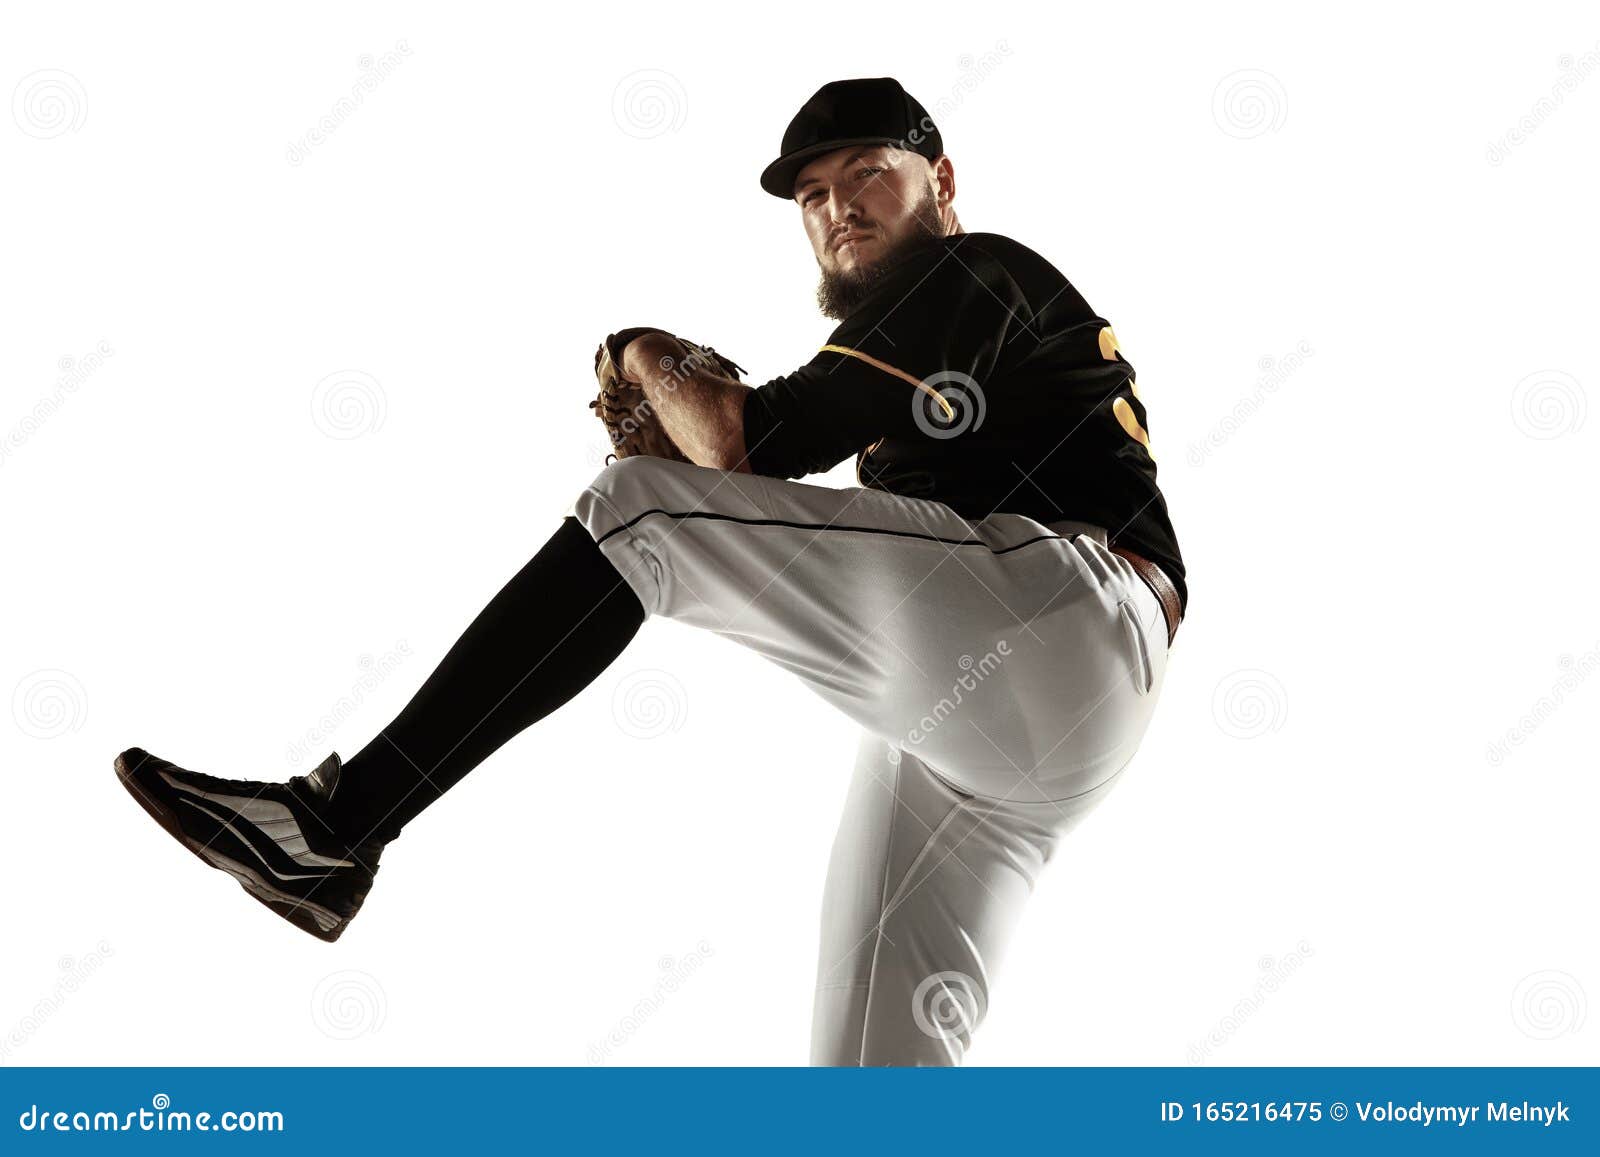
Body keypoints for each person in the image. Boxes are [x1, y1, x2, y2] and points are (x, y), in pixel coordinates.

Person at [115, 76, 1186, 1066]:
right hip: (1033, 727)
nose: (836, 206)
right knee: (871, 1062)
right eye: (810, 192)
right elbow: (750, 454)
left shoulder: (970, 268)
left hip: (1063, 605)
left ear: (940, 181)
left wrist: (635, 349)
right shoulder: (932, 337)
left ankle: (340, 825)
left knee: (640, 513)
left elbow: (742, 446)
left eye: (866, 171)